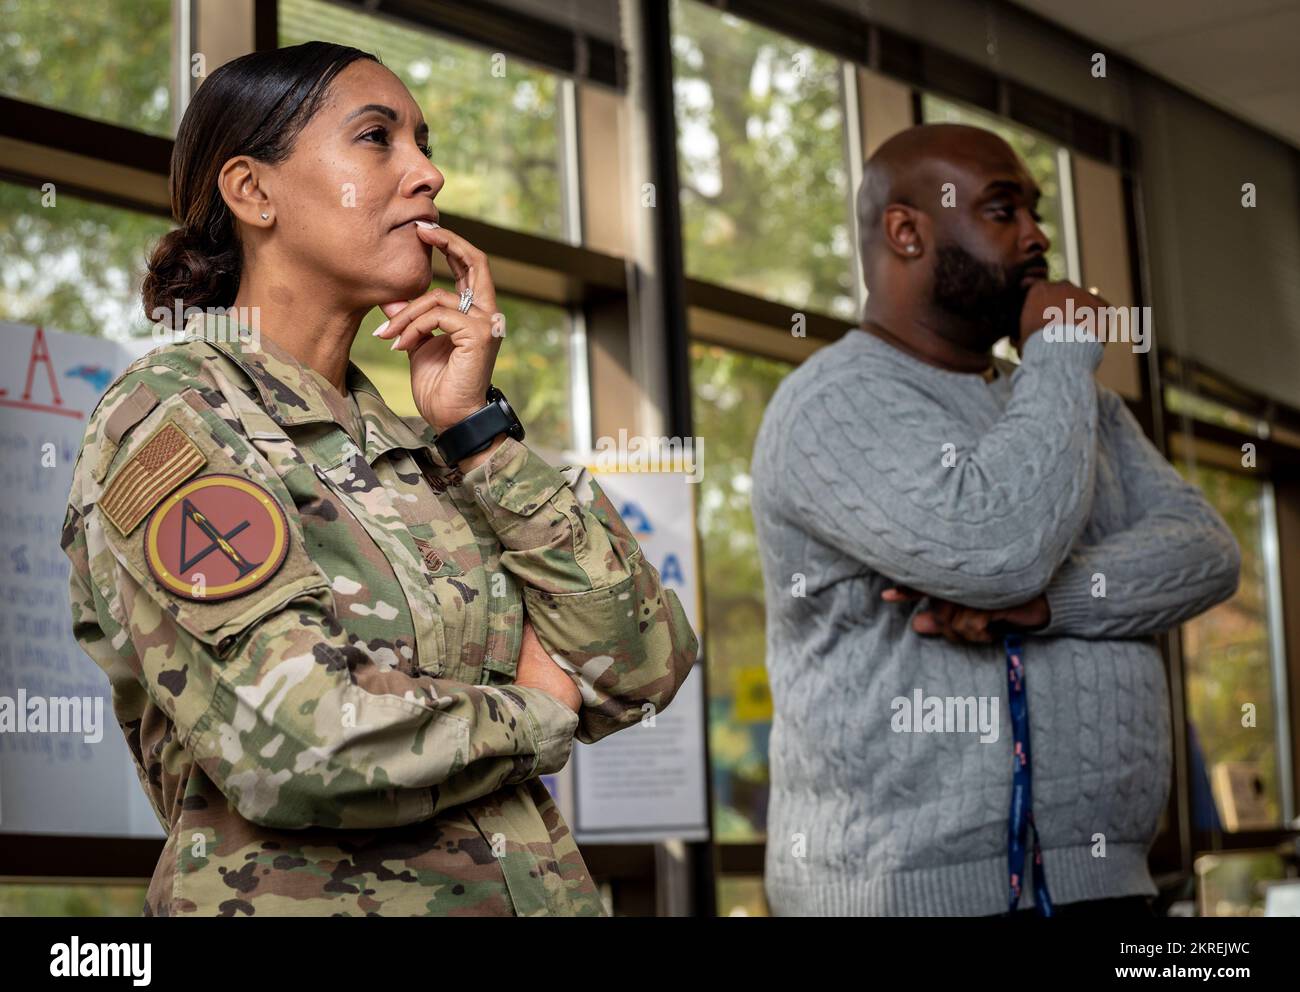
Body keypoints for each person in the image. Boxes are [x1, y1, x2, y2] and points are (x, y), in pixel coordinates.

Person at [61, 41, 698, 917]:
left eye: (424, 142)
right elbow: (303, 742)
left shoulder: (424, 444)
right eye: (377, 138)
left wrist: (479, 433)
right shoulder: (171, 418)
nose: (428, 173)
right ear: (253, 192)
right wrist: (541, 705)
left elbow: (642, 659)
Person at [751, 123, 1240, 917]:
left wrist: (1052, 604)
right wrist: (1059, 352)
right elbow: (998, 548)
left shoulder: (1082, 405)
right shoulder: (832, 403)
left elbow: (1208, 553)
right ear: (907, 231)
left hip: (1105, 890)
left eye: (1035, 211)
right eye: (1003, 210)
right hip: (906, 902)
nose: (1038, 236)